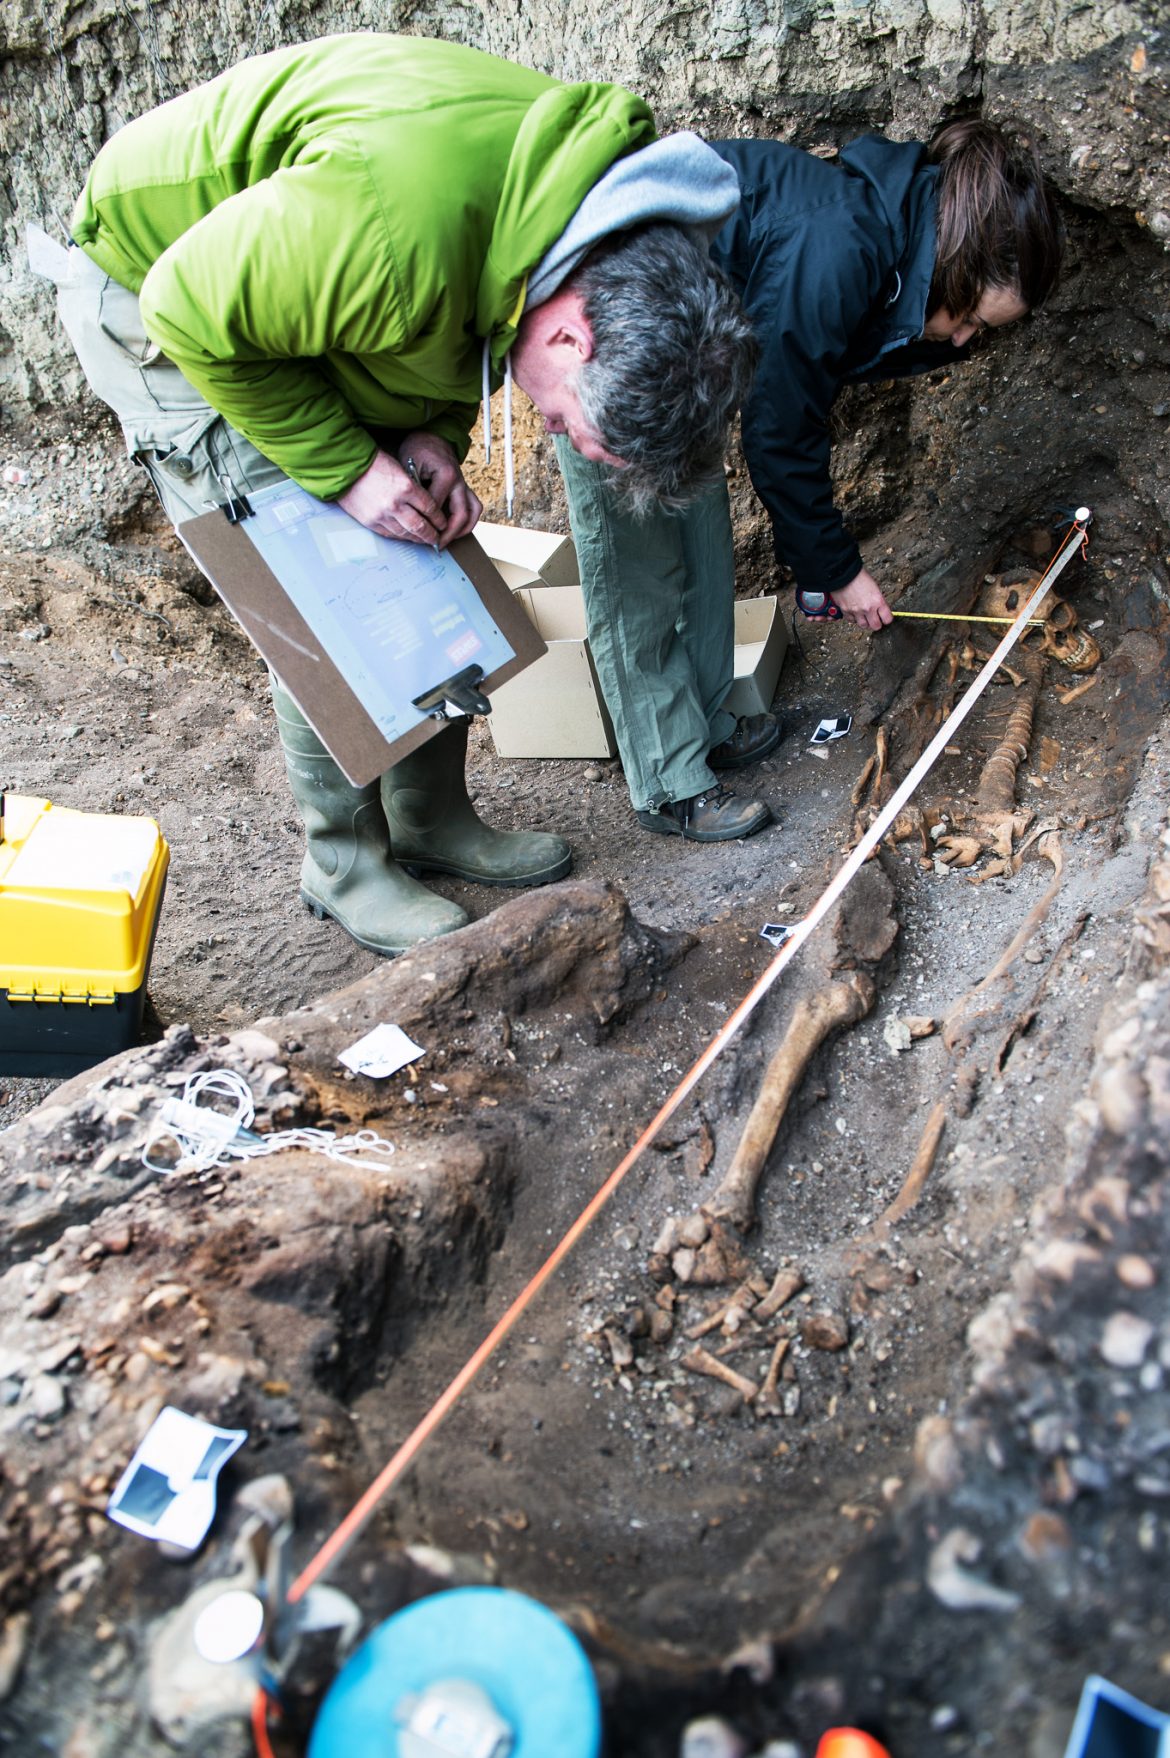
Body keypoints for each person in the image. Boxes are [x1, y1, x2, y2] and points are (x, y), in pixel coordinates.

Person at [47, 32, 756, 951]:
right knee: (318, 560)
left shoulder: (576, 229)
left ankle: (429, 815)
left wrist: (432, 438)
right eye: (570, 424)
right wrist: (347, 472)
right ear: (573, 340)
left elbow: (467, 313)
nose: (551, 432)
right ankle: (344, 863)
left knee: (418, 530)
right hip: (161, 297)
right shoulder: (395, 234)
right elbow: (187, 307)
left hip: (298, 287)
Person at [559, 118, 1062, 839]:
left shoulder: (896, 249)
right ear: (958, 259)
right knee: (638, 573)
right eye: (972, 318)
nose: (962, 340)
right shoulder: (842, 247)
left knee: (703, 550)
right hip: (603, 350)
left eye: (980, 333)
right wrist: (838, 570)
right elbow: (781, 429)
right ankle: (670, 779)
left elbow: (800, 389)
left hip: (688, 362)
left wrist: (816, 561)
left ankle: (708, 724)